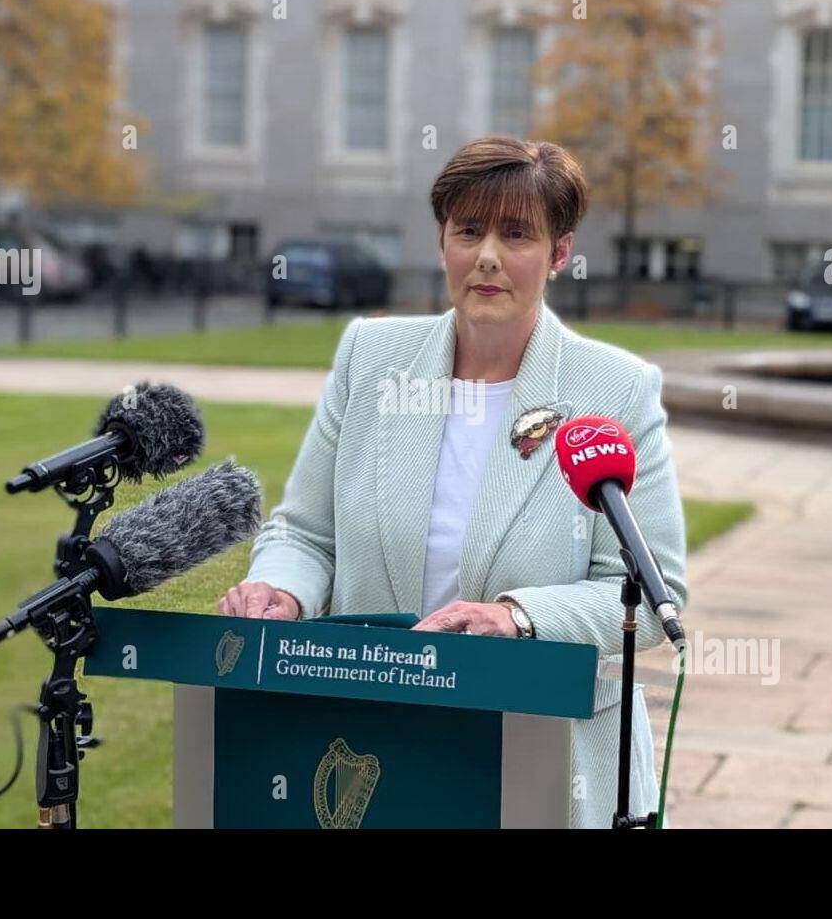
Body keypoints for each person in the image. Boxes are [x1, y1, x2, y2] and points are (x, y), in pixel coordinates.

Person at [217, 135, 688, 828]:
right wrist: (282, 587)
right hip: (379, 746)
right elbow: (305, 532)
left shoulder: (617, 390)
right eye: (469, 231)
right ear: (443, 243)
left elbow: (652, 598)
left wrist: (516, 618)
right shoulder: (371, 358)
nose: (488, 256)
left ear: (560, 252)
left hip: (546, 761)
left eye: (518, 234)